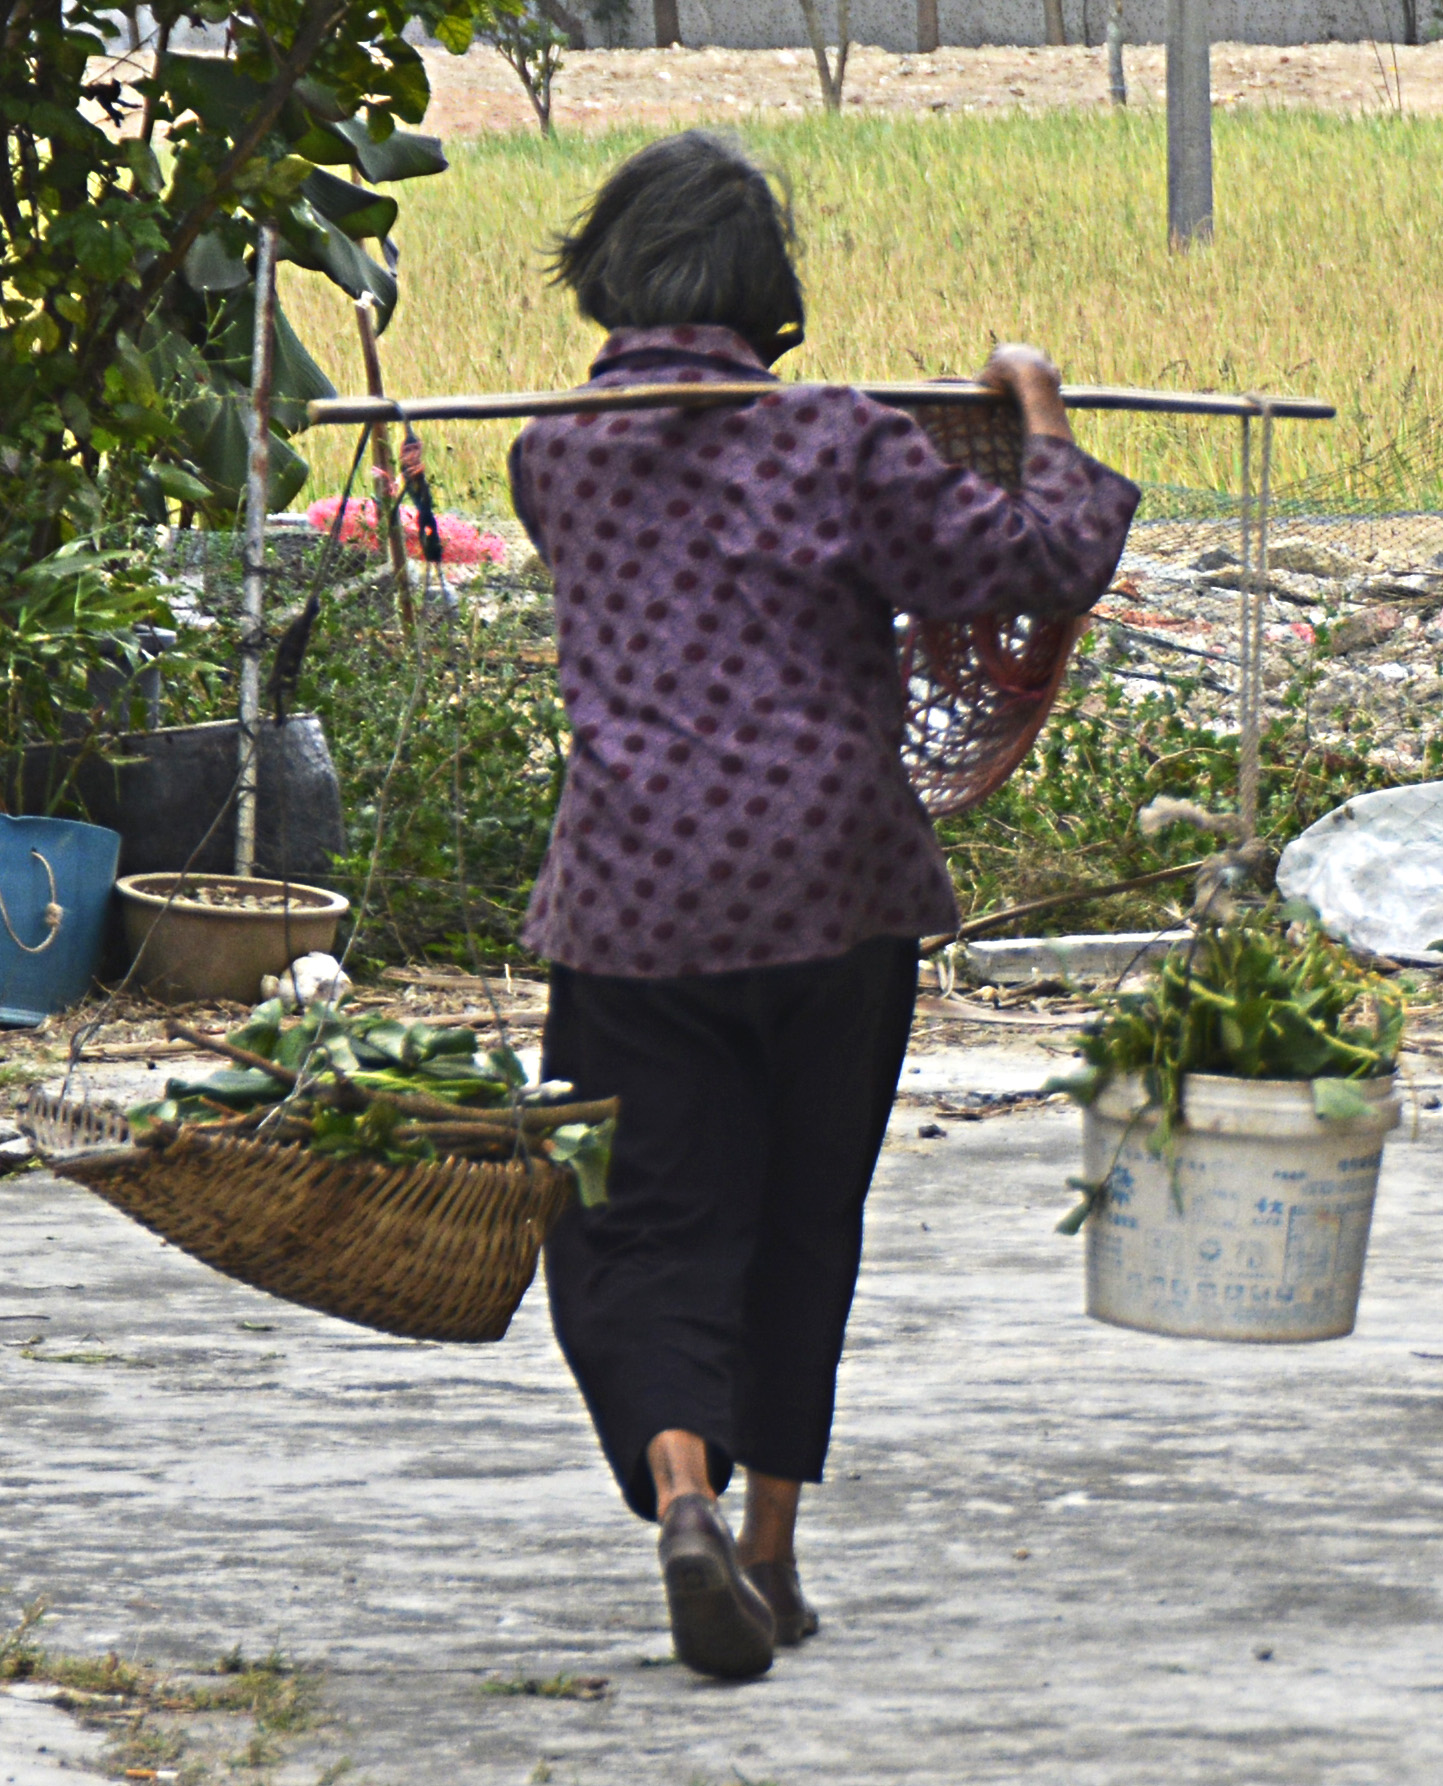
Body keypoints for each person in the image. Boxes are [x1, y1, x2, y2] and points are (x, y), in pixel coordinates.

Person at [509, 130, 1138, 1681]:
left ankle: (682, 1498)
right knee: (802, 1212)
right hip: (832, 888)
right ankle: (773, 1548)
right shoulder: (839, 442)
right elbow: (1047, 556)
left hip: (635, 902)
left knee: (641, 1222)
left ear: (610, 279)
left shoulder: (552, 456)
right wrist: (1034, 398)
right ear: (763, 296)